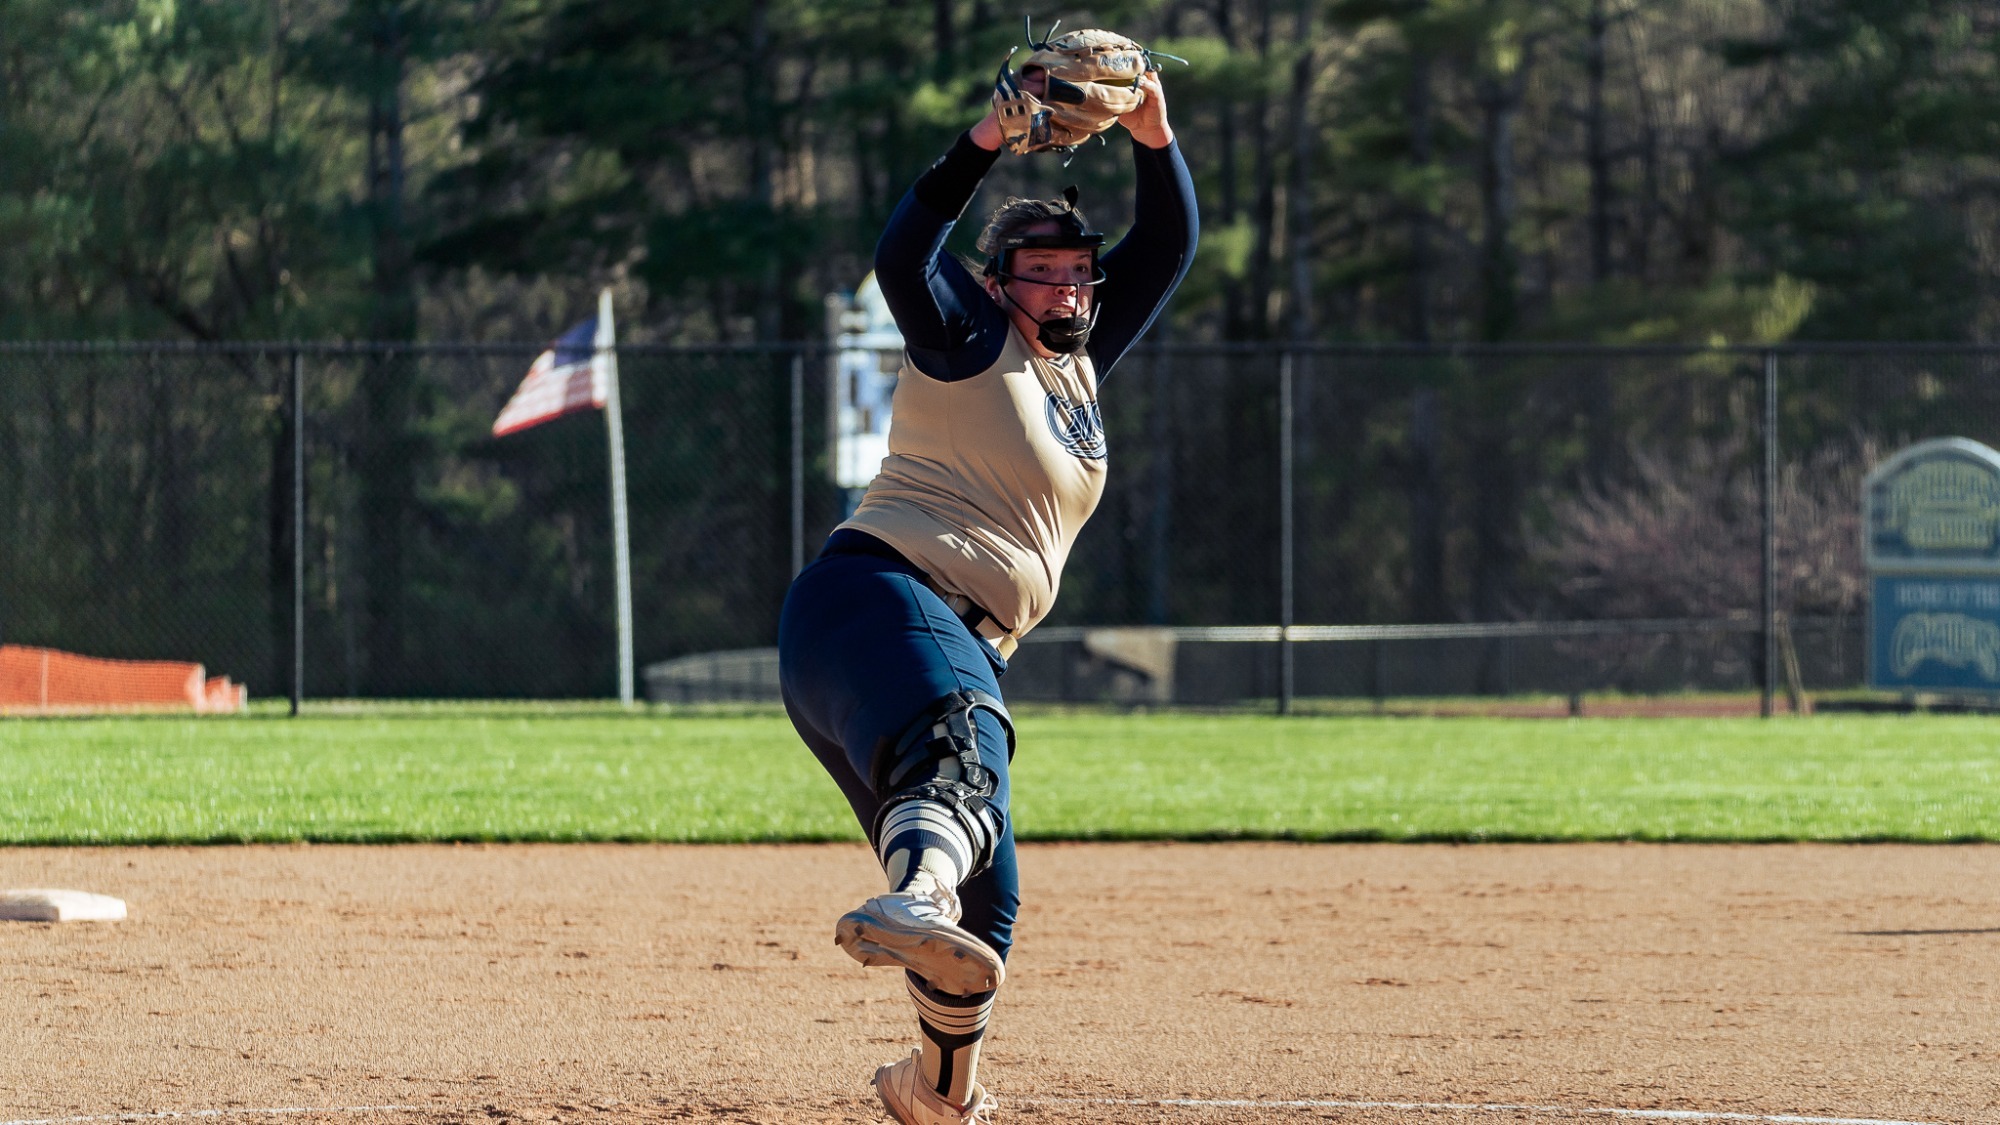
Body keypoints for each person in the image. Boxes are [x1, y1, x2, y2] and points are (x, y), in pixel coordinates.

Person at [777, 64, 1197, 1125]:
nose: (1061, 289)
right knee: (964, 746)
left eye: (1074, 275)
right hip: (881, 600)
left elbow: (1170, 246)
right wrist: (980, 142)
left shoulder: (1079, 360)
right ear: (998, 282)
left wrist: (1154, 133)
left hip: (923, 639)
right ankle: (910, 899)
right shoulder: (968, 334)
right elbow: (900, 256)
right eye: (1037, 273)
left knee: (991, 905)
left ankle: (931, 1092)